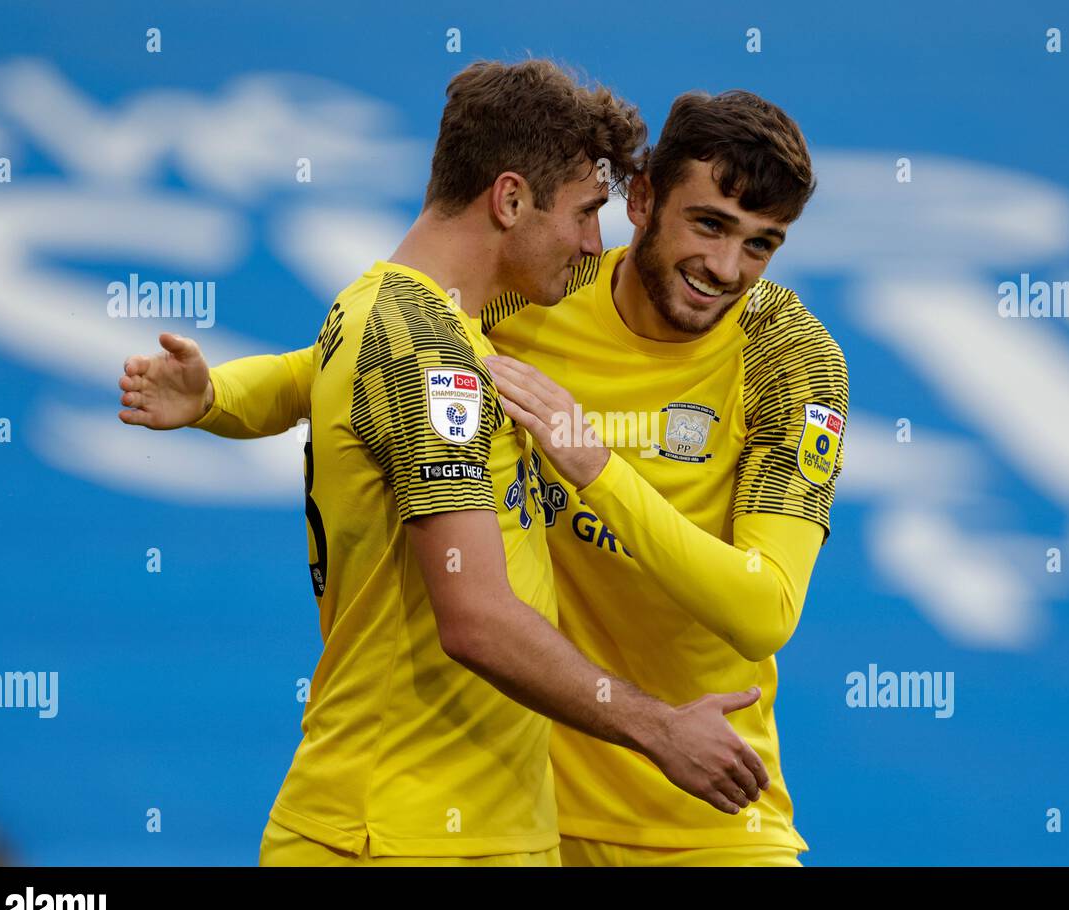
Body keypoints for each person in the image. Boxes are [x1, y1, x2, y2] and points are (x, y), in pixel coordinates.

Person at [124, 88, 846, 867]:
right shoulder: (537, 294)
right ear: (642, 200)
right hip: (524, 808)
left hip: (704, 816)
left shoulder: (792, 358)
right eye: (709, 225)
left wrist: (596, 468)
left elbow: (765, 606)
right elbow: (364, 360)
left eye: (761, 244)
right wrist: (217, 396)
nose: (726, 267)